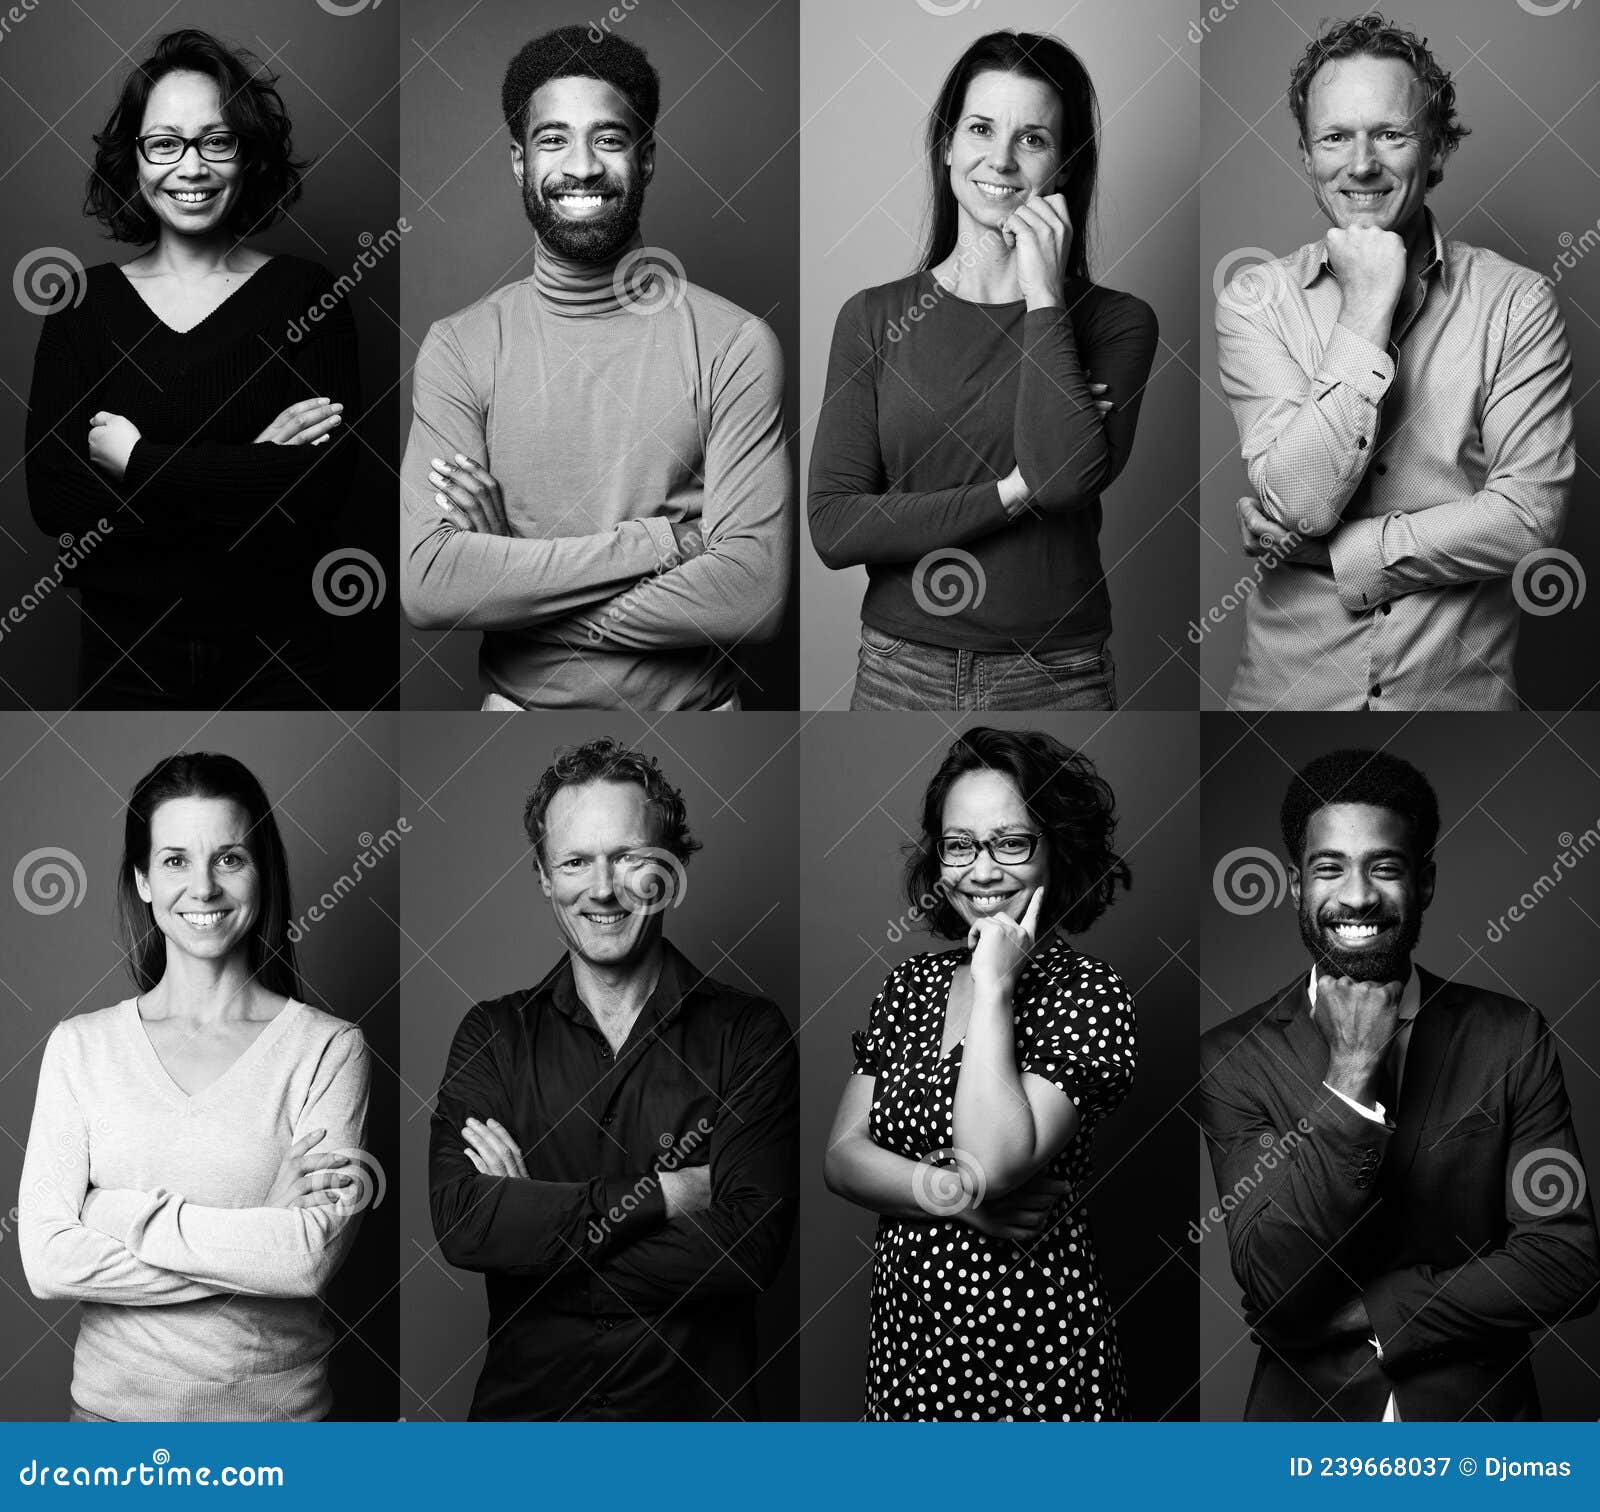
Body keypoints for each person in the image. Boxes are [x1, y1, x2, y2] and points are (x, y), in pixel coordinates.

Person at [1198, 749, 1600, 1420]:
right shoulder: (1233, 1058)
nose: (1357, 896)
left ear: (1426, 882)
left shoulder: (1509, 1036)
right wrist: (1352, 1073)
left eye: (1384, 867)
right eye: (1330, 869)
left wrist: (1375, 1311)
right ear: (1297, 886)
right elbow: (1274, 1280)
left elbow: (1567, 1260)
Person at [399, 27, 792, 711]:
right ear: (519, 163)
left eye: (607, 139)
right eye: (554, 140)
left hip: (700, 724)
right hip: (512, 722)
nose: (580, 166)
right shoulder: (458, 348)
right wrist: (664, 542)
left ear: (646, 159)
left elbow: (749, 598)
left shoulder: (735, 344)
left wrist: (510, 590)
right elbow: (431, 585)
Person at [428, 737, 798, 1418]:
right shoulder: (492, 1037)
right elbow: (465, 1227)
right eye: (575, 861)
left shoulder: (749, 1033)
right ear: (544, 876)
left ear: (670, 869)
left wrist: (539, 1234)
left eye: (628, 858)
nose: (601, 889)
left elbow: (748, 1252)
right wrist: (662, 1195)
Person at [1217, 14, 1574, 710]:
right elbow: (1301, 501)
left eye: (1390, 133)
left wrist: (1338, 554)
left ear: (1435, 148)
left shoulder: (1516, 303)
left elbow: (1530, 516)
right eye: (1335, 136)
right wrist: (1365, 311)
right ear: (1306, 153)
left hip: (1457, 708)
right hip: (1285, 703)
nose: (1360, 163)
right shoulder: (1256, 301)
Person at [808, 31, 1157, 711]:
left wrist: (1045, 296)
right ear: (946, 146)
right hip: (898, 668)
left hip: (1057, 672)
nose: (1000, 159)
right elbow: (835, 527)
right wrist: (1009, 491)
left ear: (1062, 165)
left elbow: (1061, 483)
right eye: (980, 128)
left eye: (1032, 139)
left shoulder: (1116, 323)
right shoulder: (873, 318)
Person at [18, 753, 372, 1422]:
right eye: (176, 860)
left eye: (230, 859)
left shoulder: (328, 1048)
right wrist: (253, 1230)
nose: (204, 888)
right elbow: (48, 1261)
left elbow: (303, 1261)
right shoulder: (80, 1047)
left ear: (261, 873)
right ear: (143, 880)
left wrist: (111, 1213)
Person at [23, 28, 361, 710]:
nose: (192, 166)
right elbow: (54, 500)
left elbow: (319, 493)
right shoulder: (81, 307)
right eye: (165, 143)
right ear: (135, 160)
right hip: (125, 656)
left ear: (246, 154)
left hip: (281, 656)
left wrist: (139, 461)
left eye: (217, 140)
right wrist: (250, 469)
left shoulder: (308, 295)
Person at [824, 727, 1137, 1419]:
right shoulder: (908, 985)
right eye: (960, 844)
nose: (982, 871)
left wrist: (995, 985)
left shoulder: (1088, 993)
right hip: (908, 1353)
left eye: (1012, 843)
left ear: (1057, 847)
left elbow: (991, 1163)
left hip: (1034, 1357)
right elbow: (841, 1160)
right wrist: (955, 1195)